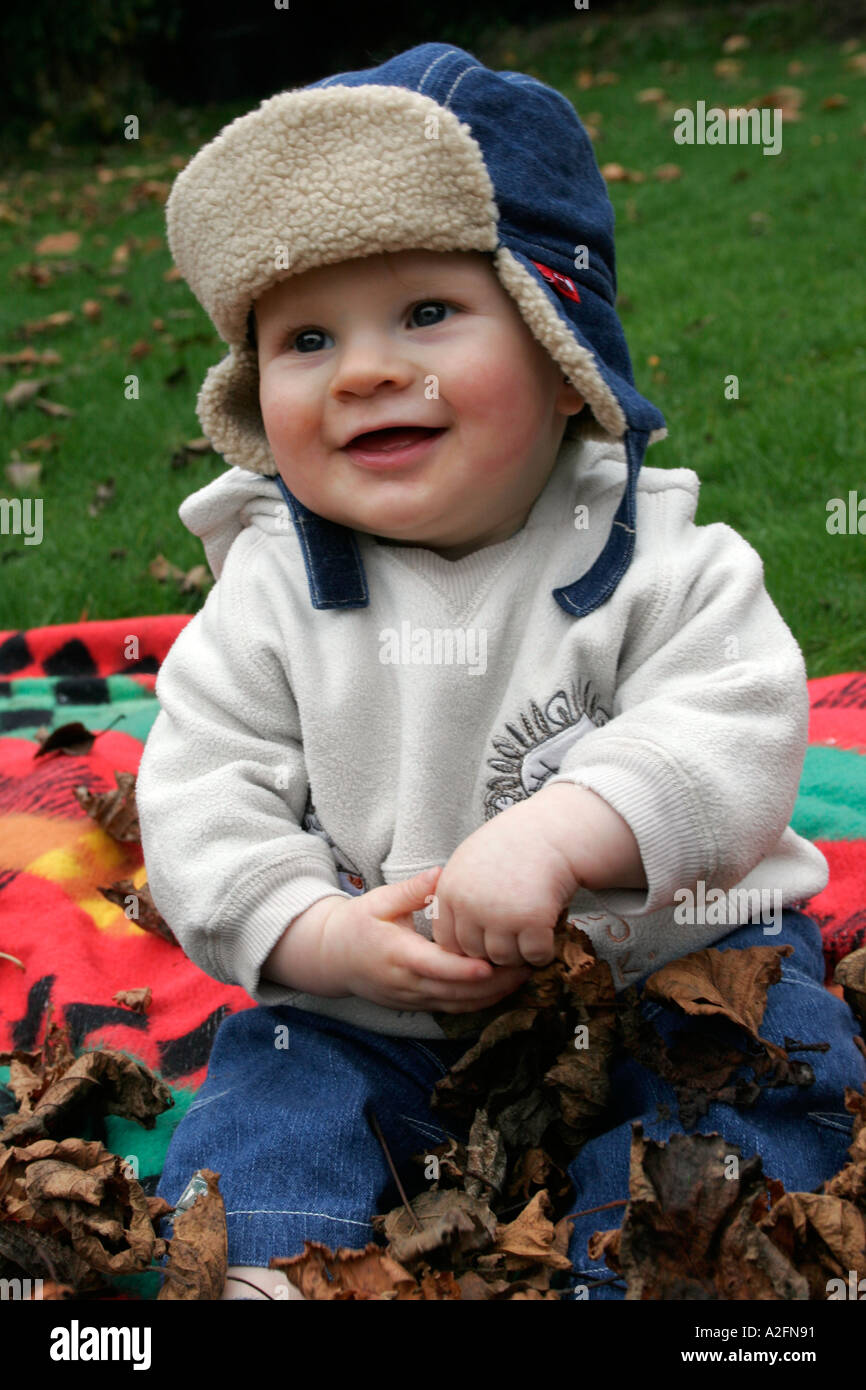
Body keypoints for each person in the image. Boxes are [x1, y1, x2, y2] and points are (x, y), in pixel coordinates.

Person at [136, 42, 865, 1300]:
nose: (364, 369)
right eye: (306, 336)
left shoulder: (657, 554)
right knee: (269, 1090)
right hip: (383, 1013)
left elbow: (734, 723)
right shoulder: (269, 590)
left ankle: (664, 1264)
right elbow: (202, 793)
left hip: (660, 969)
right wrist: (311, 937)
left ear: (555, 337)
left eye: (425, 313)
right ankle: (270, 1264)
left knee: (773, 1056)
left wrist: (572, 829)